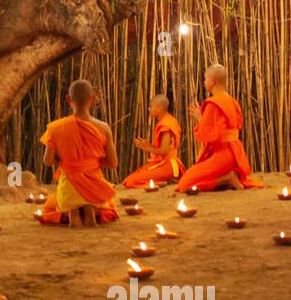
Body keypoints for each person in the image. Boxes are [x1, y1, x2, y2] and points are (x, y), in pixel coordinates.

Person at [38, 79, 119, 226]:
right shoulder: (104, 128)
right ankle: (90, 208)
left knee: (50, 207)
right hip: (94, 185)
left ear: (68, 99)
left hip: (68, 186)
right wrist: (91, 161)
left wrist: (63, 159)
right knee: (109, 206)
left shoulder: (56, 128)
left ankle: (74, 212)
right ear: (93, 99)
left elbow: (47, 161)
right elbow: (113, 163)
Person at [175, 64, 261, 192]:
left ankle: (226, 178)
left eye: (205, 79)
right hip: (235, 153)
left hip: (223, 154)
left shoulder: (213, 103)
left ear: (212, 80)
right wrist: (203, 118)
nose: (204, 82)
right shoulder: (232, 101)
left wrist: (199, 118)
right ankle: (228, 178)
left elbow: (208, 135)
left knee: (184, 184)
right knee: (192, 178)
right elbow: (225, 129)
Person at [123, 94, 184, 188]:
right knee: (129, 179)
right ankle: (161, 181)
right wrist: (149, 146)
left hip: (169, 166)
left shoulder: (166, 124)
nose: (149, 109)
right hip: (162, 163)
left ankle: (161, 182)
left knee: (130, 182)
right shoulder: (166, 120)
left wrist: (149, 147)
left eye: (151, 106)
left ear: (159, 108)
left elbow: (164, 151)